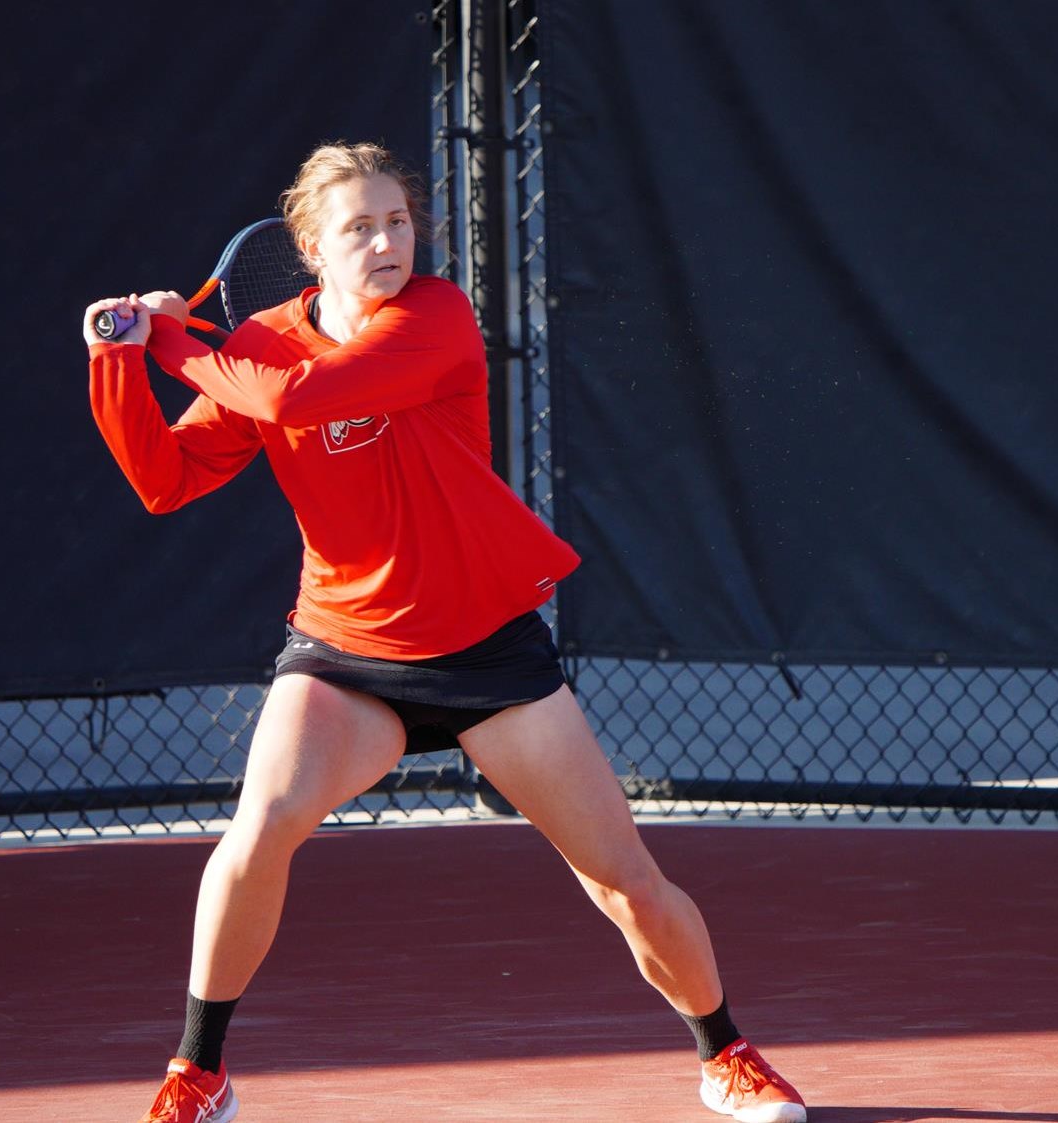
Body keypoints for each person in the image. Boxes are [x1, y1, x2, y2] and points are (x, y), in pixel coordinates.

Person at [84, 141, 806, 1123]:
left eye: (397, 221)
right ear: (309, 246)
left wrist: (171, 341)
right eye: (358, 228)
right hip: (343, 655)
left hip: (485, 653)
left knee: (627, 882)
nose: (386, 242)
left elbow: (303, 396)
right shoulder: (258, 342)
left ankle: (725, 1052)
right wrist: (118, 359)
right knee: (255, 835)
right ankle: (197, 1070)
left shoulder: (435, 316)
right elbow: (166, 480)